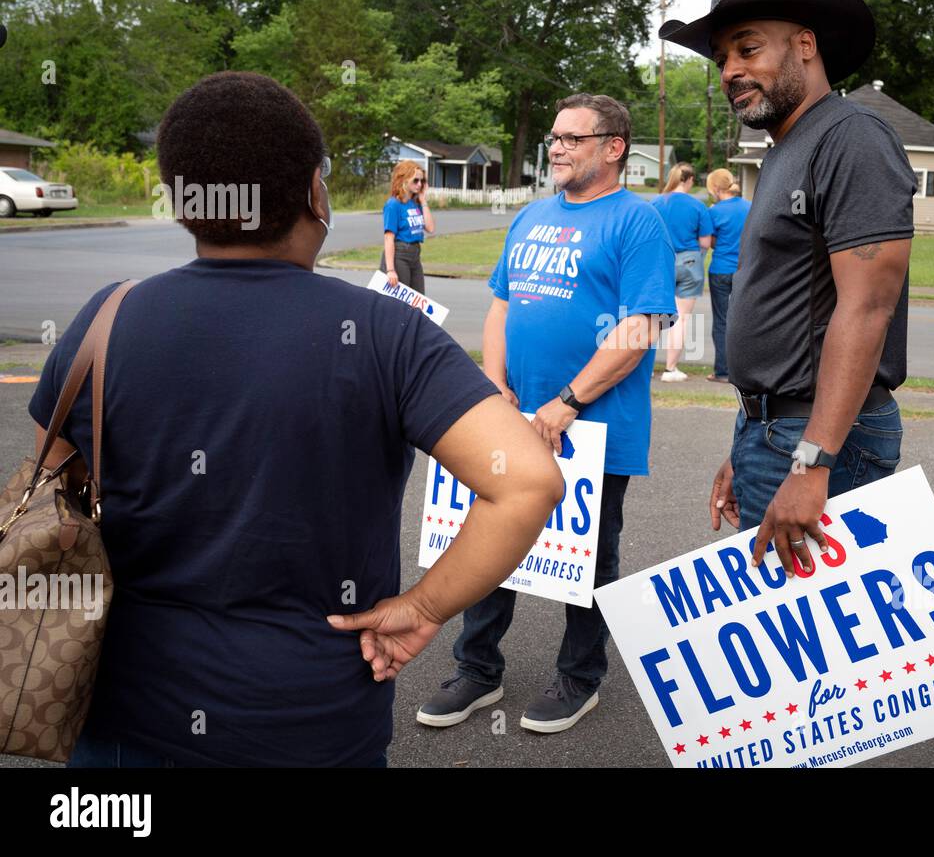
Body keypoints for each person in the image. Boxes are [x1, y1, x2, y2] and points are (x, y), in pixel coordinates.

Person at [28, 71, 564, 767]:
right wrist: (426, 608)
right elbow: (526, 482)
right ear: (315, 191)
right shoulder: (384, 333)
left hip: (123, 713)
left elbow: (46, 486)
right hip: (310, 719)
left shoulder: (106, 318)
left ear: (182, 200)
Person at [418, 93, 676, 735]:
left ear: (613, 148)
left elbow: (641, 325)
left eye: (571, 139)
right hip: (510, 419)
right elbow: (502, 305)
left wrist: (569, 402)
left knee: (588, 558)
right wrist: (493, 384)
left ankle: (579, 679)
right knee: (488, 538)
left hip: (591, 428)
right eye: (553, 139)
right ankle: (478, 672)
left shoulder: (638, 223)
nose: (556, 148)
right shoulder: (531, 216)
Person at [660, 0, 914, 576]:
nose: (730, 72)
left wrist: (812, 462)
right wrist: (746, 441)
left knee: (831, 653)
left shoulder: (851, 138)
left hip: (820, 440)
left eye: (748, 49)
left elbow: (868, 307)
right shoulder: (784, 150)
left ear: (805, 45)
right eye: (721, 59)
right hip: (776, 431)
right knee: (798, 654)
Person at [651, 163, 713, 382]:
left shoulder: (656, 202)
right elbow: (705, 241)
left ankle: (646, 368)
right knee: (681, 318)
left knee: (653, 316)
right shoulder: (698, 205)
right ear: (689, 180)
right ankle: (670, 369)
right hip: (688, 261)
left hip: (661, 262)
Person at [703, 168, 750, 383]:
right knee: (745, 320)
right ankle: (746, 370)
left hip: (720, 269)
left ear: (715, 188)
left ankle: (722, 370)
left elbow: (711, 241)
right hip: (744, 269)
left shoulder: (714, 212)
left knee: (721, 321)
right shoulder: (749, 206)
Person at [382, 160, 435, 292]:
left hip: (415, 254)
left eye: (422, 181)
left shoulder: (415, 203)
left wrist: (423, 200)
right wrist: (390, 270)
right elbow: (389, 237)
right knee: (402, 302)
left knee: (418, 298)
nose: (419, 184)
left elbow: (430, 228)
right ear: (404, 180)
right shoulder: (393, 204)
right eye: (415, 180)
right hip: (400, 254)